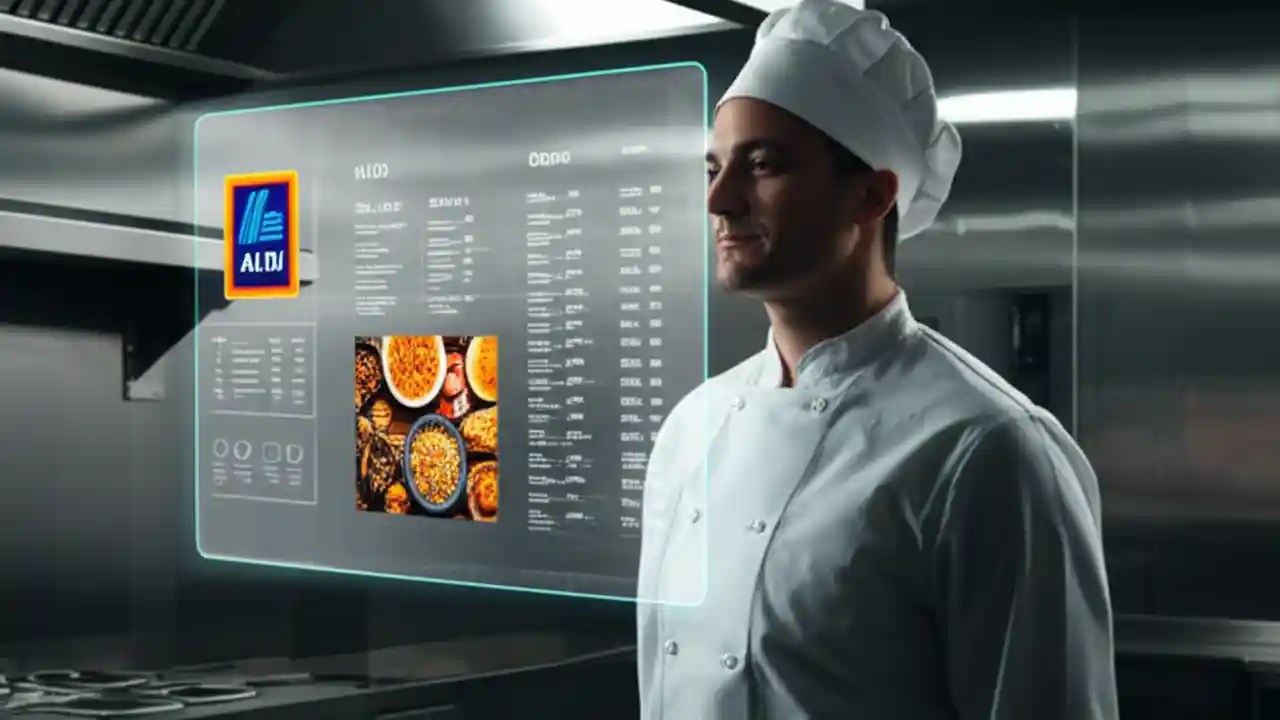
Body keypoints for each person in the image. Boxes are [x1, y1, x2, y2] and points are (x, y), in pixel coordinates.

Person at [635, 1, 1120, 718]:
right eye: (713, 167)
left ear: (871, 194)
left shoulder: (989, 450)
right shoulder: (691, 430)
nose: (719, 199)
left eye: (761, 164)